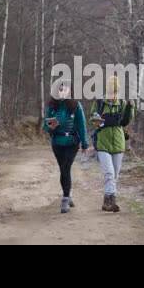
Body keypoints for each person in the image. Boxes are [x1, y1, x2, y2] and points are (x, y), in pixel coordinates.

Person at [89, 76, 135, 213]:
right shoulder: (99, 103)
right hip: (103, 143)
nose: (112, 94)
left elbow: (125, 121)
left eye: (115, 91)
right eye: (110, 91)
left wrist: (130, 108)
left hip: (119, 144)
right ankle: (111, 200)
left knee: (114, 175)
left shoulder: (122, 103)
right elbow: (93, 120)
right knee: (109, 173)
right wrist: (103, 121)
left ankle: (106, 200)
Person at [43, 81, 89, 214]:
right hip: (57, 142)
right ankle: (67, 194)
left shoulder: (76, 106)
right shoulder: (52, 106)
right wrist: (50, 126)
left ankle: (65, 198)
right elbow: (45, 125)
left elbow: (82, 125)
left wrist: (85, 143)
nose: (63, 92)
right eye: (60, 90)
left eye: (65, 90)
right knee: (63, 169)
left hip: (72, 142)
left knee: (65, 167)